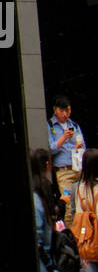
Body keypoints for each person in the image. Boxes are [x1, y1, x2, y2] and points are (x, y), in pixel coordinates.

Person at [48, 95, 85, 229]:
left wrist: (78, 148)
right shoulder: (50, 125)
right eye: (62, 111)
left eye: (67, 111)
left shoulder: (74, 125)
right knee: (69, 206)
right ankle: (71, 237)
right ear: (55, 110)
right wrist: (64, 137)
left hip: (78, 170)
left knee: (82, 204)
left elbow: (83, 146)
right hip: (63, 173)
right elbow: (51, 149)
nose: (65, 114)